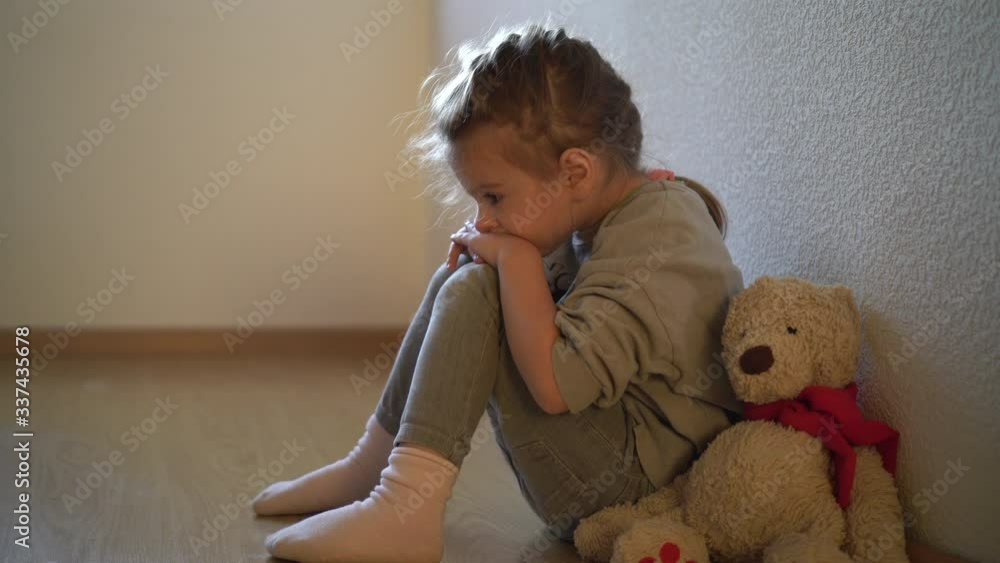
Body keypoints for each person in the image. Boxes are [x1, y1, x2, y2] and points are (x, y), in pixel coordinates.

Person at [253, 22, 744, 563]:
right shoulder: (592, 214)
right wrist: (503, 257)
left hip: (640, 493)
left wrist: (512, 260)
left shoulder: (657, 236)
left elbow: (557, 387)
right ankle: (373, 466)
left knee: (481, 289)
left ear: (575, 171)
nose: (483, 219)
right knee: (463, 278)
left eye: (493, 196)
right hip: (610, 458)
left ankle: (404, 512)